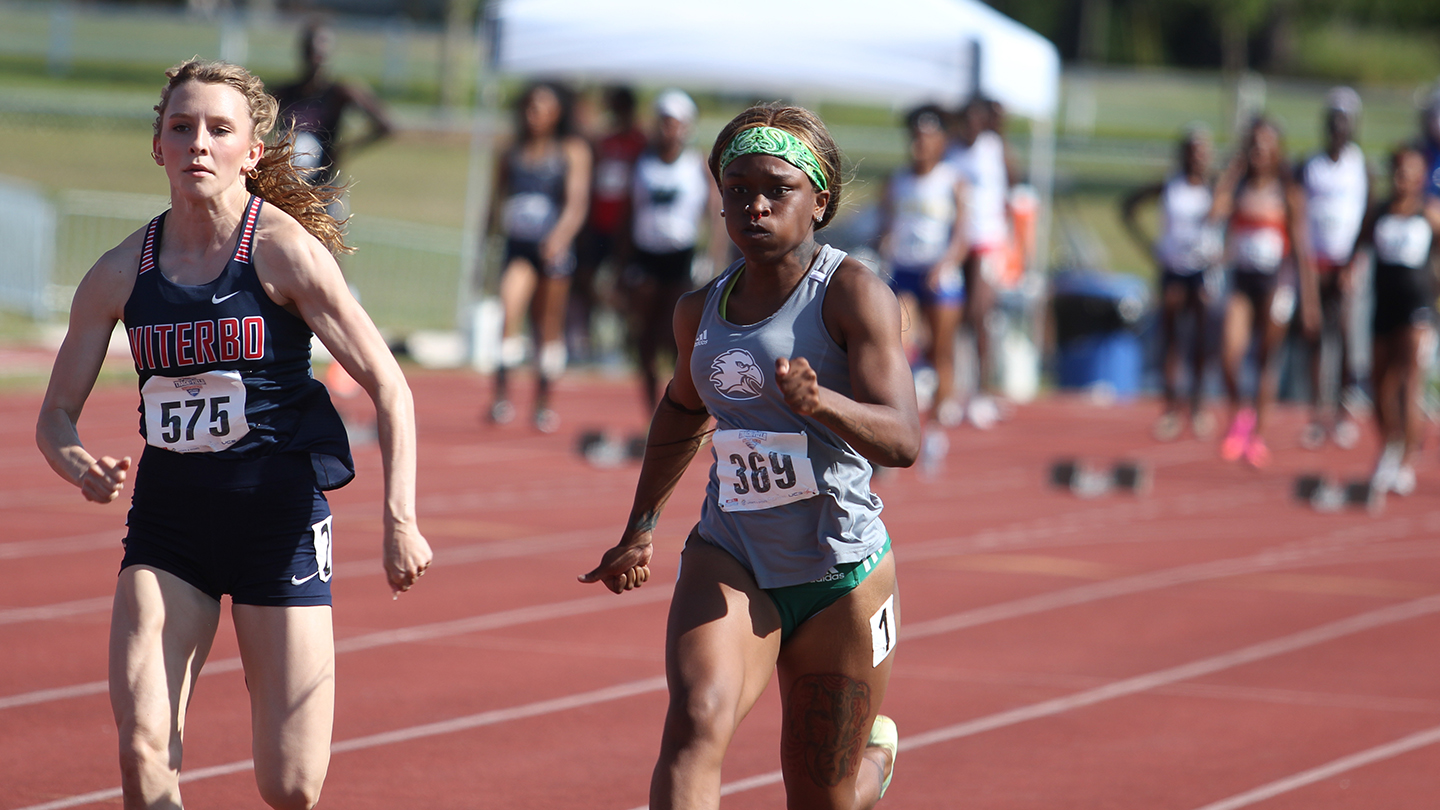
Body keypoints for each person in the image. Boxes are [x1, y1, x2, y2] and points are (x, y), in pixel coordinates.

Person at [34, 59, 432, 809]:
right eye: (180, 128)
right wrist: (80, 465)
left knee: (290, 786)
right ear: (157, 145)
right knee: (143, 747)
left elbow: (390, 385)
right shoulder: (121, 272)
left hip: (277, 526)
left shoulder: (282, 252)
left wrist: (399, 522)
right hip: (167, 528)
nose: (198, 145)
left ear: (252, 150)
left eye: (219, 130)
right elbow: (54, 416)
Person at [579, 104, 917, 810]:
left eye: (776, 189)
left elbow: (903, 439)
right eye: (736, 189)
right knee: (696, 722)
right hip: (731, 555)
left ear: (819, 201)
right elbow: (681, 409)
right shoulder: (698, 310)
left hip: (841, 575)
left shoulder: (855, 294)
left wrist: (822, 402)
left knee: (822, 797)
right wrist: (641, 525)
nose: (754, 205)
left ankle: (877, 760)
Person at [1211, 117, 1319, 468]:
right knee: (1229, 354)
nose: (1258, 150)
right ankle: (1239, 416)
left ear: (1276, 150)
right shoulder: (1239, 187)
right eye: (1252, 144)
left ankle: (1255, 434)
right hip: (1243, 281)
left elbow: (1302, 249)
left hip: (1276, 283)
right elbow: (1215, 212)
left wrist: (1309, 303)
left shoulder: (1287, 191)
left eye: (1265, 144)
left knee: (1264, 362)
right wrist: (1231, 172)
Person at [487, 81, 591, 432]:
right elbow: (495, 201)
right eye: (529, 106)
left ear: (556, 112)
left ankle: (543, 403)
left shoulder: (571, 151)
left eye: (541, 107)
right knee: (508, 311)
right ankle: (501, 398)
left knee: (547, 326)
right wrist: (488, 245)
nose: (533, 114)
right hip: (518, 246)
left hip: (553, 249)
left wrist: (558, 238)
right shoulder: (511, 151)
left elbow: (576, 205)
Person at [620, 89, 723, 412]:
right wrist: (619, 263)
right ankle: (651, 412)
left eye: (674, 123)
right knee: (644, 339)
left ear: (686, 127)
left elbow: (716, 216)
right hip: (646, 257)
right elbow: (627, 214)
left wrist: (713, 259)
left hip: (682, 259)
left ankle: (684, 407)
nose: (668, 130)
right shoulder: (641, 163)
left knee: (675, 336)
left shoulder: (696, 166)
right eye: (663, 122)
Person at [877, 105, 968, 464]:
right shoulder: (897, 180)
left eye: (927, 138)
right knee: (895, 345)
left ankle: (936, 428)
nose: (920, 145)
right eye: (916, 137)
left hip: (938, 273)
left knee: (941, 351)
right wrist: (882, 249)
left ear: (941, 141)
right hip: (904, 270)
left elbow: (962, 233)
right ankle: (898, 417)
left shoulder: (952, 181)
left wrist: (946, 263)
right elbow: (884, 223)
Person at [1122, 125, 1221, 441]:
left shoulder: (1214, 188)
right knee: (1172, 340)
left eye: (1203, 153)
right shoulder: (1169, 187)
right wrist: (1149, 246)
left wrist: (1223, 253)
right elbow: (1129, 207)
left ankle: (1198, 405)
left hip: (1202, 271)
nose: (1197, 159)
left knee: (1202, 341)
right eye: (1192, 152)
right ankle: (1170, 408)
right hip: (1173, 270)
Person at [1354, 144, 1440, 495]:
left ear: (1420, 177)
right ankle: (1390, 444)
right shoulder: (1380, 212)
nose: (1402, 179)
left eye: (1409, 173)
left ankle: (1405, 460)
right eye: (1398, 172)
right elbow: (1358, 248)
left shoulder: (1429, 214)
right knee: (1380, 386)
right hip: (1383, 307)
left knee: (1410, 383)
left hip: (1417, 309)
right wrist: (1348, 274)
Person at [1297, 87, 1370, 450]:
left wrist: (1354, 261)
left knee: (1342, 336)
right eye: (1333, 120)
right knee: (1315, 337)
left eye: (1345, 120)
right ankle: (1316, 413)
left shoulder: (1360, 166)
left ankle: (1342, 411)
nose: (1338, 127)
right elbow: (1299, 216)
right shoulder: (1310, 165)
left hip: (1345, 263)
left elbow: (1367, 216)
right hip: (1315, 263)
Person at [569, 86, 649, 362]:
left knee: (624, 285)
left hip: (627, 228)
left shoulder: (641, 143)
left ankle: (624, 342)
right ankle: (588, 341)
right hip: (599, 224)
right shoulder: (603, 141)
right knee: (585, 280)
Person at [946, 96, 1011, 429]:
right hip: (959, 240)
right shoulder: (950, 150)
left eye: (977, 121)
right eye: (965, 121)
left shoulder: (994, 147)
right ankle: (952, 390)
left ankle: (982, 392)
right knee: (954, 316)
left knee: (979, 313)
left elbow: (1014, 181)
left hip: (987, 240)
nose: (971, 128)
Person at [272, 21, 394, 192]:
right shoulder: (284, 93)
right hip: (287, 187)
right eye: (311, 51)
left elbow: (386, 126)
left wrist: (342, 150)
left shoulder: (340, 93)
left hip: (323, 188)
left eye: (321, 52)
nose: (316, 58)